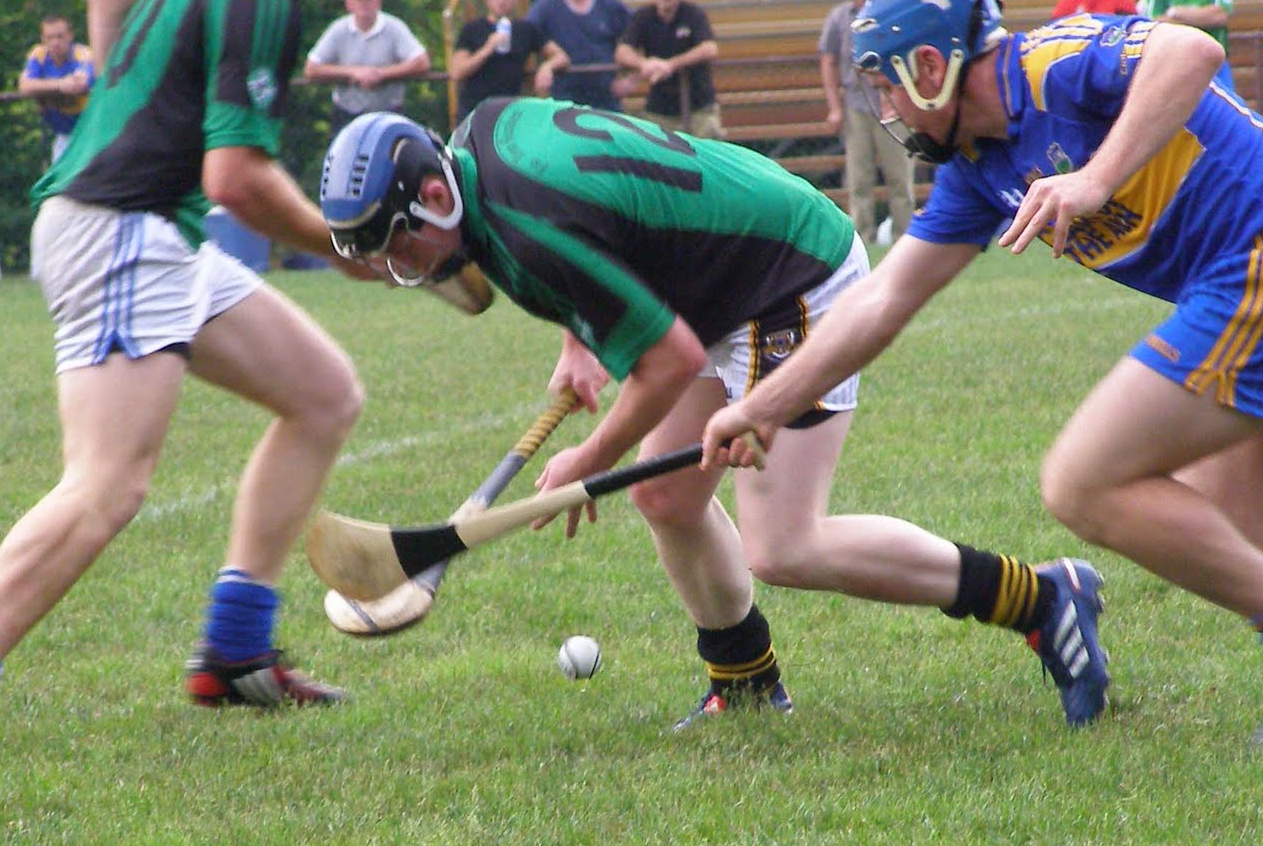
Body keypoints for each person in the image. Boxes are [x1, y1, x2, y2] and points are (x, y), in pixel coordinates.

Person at [700, 0, 1263, 745]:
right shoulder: (976, 172)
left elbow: (1192, 52)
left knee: (1080, 483)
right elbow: (880, 301)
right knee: (1229, 535)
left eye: (887, 88)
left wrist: (1093, 178)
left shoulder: (1047, 61)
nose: (889, 109)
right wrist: (760, 406)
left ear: (930, 66)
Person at [318, 100, 1111, 730]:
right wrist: (579, 333)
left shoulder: (530, 233)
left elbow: (662, 360)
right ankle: (746, 679)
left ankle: (1039, 599)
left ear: (431, 196)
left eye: (397, 248)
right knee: (665, 496)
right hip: (708, 283)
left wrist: (590, 457)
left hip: (789, 275)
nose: (401, 272)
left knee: (785, 544)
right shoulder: (478, 135)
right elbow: (601, 215)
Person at [0, 0, 407, 741]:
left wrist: (119, 106)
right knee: (106, 486)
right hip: (119, 230)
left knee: (324, 394)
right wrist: (348, 249)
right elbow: (237, 181)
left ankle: (234, 655)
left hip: (154, 232)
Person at [819, 0, 914, 244]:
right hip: (856, 106)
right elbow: (828, 61)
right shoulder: (839, 18)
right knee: (859, 179)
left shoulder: (892, 12)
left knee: (900, 177)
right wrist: (834, 107)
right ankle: (862, 236)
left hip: (893, 106)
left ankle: (906, 237)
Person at [304, 0, 431, 139]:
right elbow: (311, 68)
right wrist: (353, 73)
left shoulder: (393, 27)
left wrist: (380, 75)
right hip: (346, 114)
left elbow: (422, 62)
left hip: (389, 113)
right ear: (348, 3)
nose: (363, 3)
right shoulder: (338, 29)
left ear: (378, 2)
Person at [615, 0, 724, 138]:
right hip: (660, 108)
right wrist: (644, 64)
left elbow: (710, 48)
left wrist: (671, 65)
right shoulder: (643, 17)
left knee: (709, 148)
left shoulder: (693, 13)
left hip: (699, 105)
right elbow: (622, 52)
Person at [526, 0, 630, 112]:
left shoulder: (611, 6)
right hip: (561, 104)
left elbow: (640, 38)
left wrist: (631, 79)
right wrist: (544, 68)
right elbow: (525, 38)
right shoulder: (544, 8)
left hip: (606, 104)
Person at [450, 0, 556, 124]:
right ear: (487, 0)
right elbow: (456, 72)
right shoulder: (472, 29)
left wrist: (547, 67)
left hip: (510, 111)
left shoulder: (526, 29)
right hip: (475, 111)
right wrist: (488, 48)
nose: (501, 1)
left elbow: (560, 56)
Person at [17, 14, 95, 167]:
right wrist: (60, 84)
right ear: (43, 39)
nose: (55, 42)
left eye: (60, 36)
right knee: (59, 186)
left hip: (92, 134)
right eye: (50, 37)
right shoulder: (39, 55)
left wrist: (43, 85)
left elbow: (79, 84)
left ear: (70, 36)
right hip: (64, 135)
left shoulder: (83, 55)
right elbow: (25, 86)